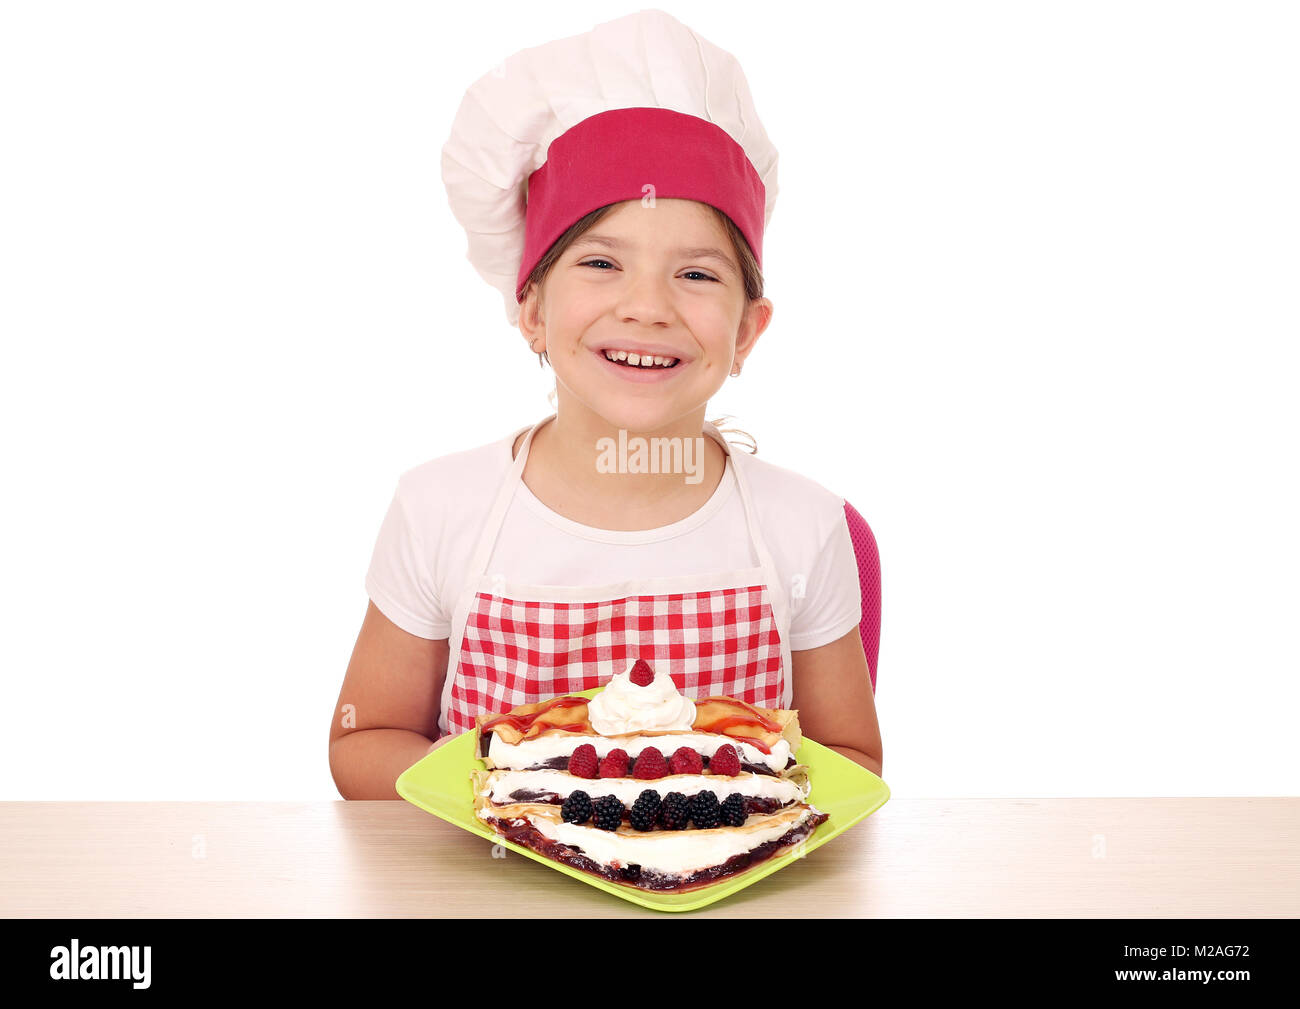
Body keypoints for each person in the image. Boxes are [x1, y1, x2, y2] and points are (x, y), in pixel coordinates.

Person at [328, 10, 882, 800]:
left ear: (747, 332)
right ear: (532, 311)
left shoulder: (803, 525)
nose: (647, 306)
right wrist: (529, 794)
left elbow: (853, 759)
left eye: (697, 275)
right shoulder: (441, 509)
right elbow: (362, 742)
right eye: (600, 262)